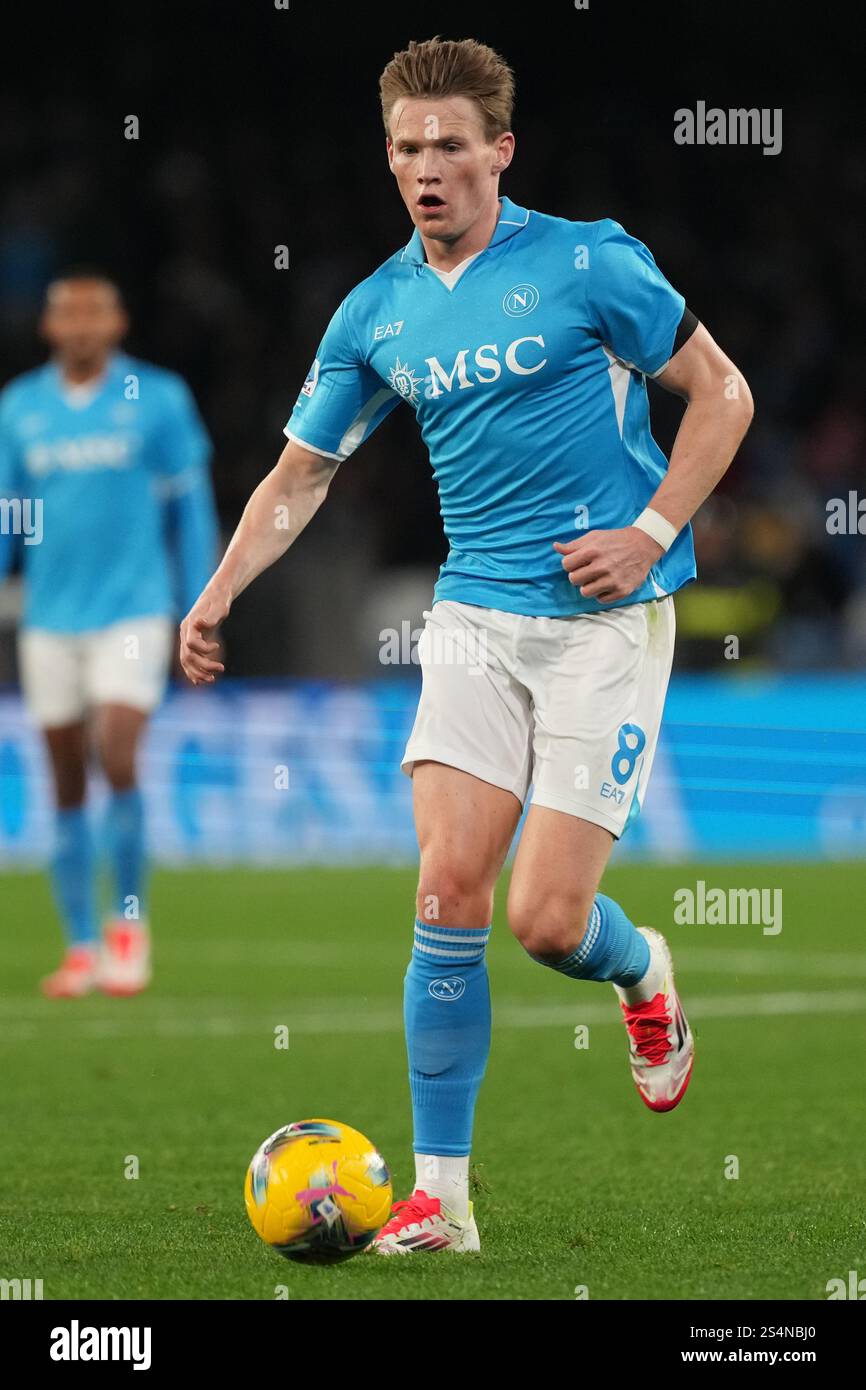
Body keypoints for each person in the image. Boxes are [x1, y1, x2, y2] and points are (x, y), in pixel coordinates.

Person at [179, 37, 753, 1254]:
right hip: (472, 623)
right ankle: (442, 1197)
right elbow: (301, 474)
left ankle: (640, 968)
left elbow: (723, 394)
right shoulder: (374, 310)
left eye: (449, 145)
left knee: (546, 923)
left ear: (500, 150)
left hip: (603, 623)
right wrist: (219, 589)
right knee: (447, 892)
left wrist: (650, 532)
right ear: (385, 160)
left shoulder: (589, 258)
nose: (426, 169)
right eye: (404, 149)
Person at [0, 271, 219, 998]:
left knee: (114, 751)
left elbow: (189, 511)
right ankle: (81, 946)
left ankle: (130, 929)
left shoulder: (156, 400)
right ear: (49, 327)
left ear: (118, 323)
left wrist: (204, 602)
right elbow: (10, 515)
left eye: (97, 311)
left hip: (134, 608)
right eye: (69, 312)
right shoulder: (20, 407)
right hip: (50, 619)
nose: (83, 325)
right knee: (64, 779)